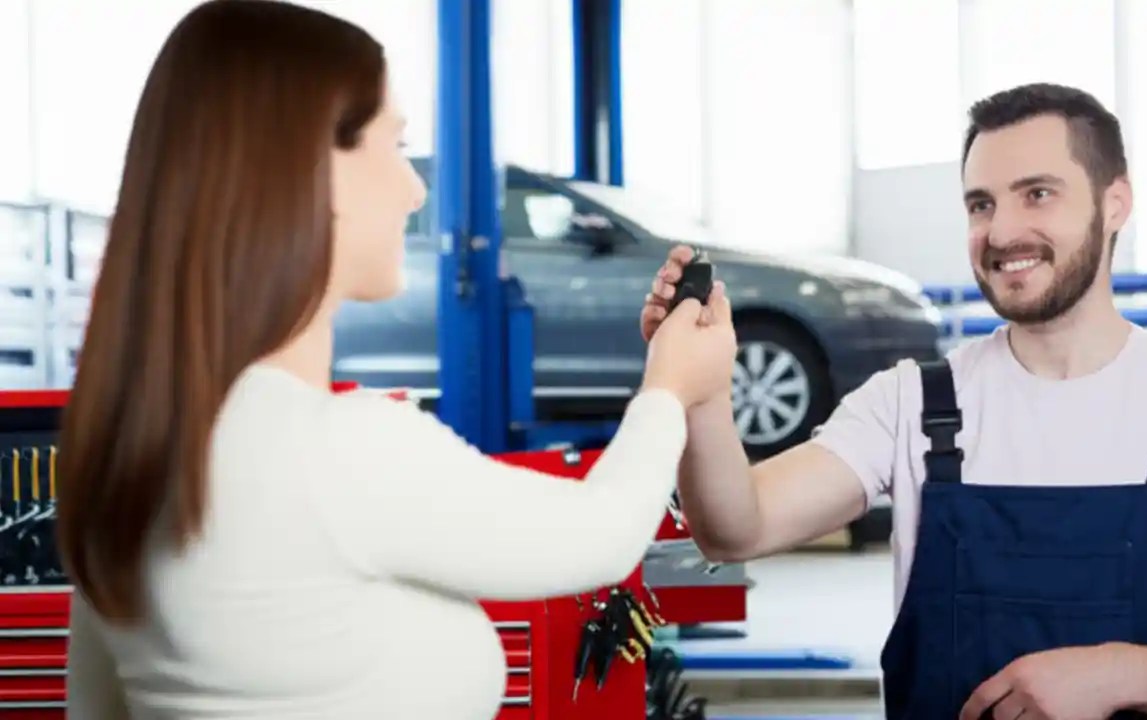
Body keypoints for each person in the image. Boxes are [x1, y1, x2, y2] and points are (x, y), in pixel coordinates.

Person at [56, 1, 737, 718]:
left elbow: (93, 710)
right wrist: (670, 386)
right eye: (394, 145)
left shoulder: (125, 461)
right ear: (310, 171)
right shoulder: (330, 448)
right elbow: (600, 534)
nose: (415, 190)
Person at [641, 83, 1147, 719]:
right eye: (980, 204)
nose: (1001, 231)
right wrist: (702, 391)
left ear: (1115, 204)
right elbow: (735, 527)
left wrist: (1123, 673)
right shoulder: (911, 405)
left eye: (1037, 194)